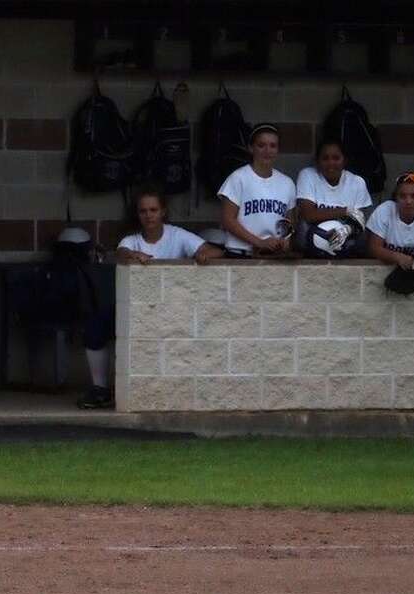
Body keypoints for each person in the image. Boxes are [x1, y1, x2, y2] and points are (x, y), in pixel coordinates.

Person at [78, 184, 222, 409]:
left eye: (153, 210)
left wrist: (203, 254)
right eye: (143, 211)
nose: (148, 215)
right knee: (96, 327)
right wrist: (134, 254)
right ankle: (100, 389)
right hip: (135, 310)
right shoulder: (132, 240)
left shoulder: (178, 235)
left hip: (172, 310)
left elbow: (216, 251)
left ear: (163, 211)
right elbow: (121, 253)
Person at [217, 123, 297, 258]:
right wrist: (259, 242)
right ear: (251, 148)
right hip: (241, 254)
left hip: (273, 256)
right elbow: (227, 220)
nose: (267, 150)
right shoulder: (238, 178)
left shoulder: (287, 183)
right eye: (261, 145)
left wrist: (285, 241)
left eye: (273, 146)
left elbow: (289, 221)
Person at [295, 139, 372, 258]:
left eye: (336, 158)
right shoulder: (308, 175)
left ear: (344, 160)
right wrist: (344, 211)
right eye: (325, 158)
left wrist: (346, 229)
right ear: (317, 161)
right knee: (303, 226)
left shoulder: (357, 182)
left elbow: (360, 222)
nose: (331, 163)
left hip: (345, 240)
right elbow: (308, 215)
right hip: (313, 239)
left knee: (364, 236)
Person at [367, 171, 414, 269]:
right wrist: (397, 257)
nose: (408, 201)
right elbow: (373, 248)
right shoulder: (385, 209)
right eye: (402, 196)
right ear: (396, 197)